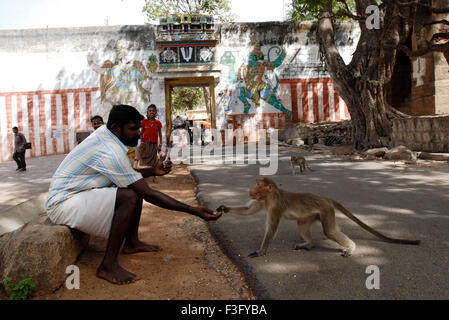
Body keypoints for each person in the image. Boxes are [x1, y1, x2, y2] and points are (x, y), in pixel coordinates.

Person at [46, 104, 221, 285]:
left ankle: (131, 243)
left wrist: (153, 170)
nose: (139, 134)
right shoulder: (110, 151)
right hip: (62, 203)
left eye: (139, 128)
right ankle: (107, 265)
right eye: (133, 129)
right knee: (131, 195)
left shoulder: (107, 137)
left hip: (77, 195)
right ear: (116, 128)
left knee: (132, 190)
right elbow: (148, 194)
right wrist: (192, 210)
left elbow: (127, 175)